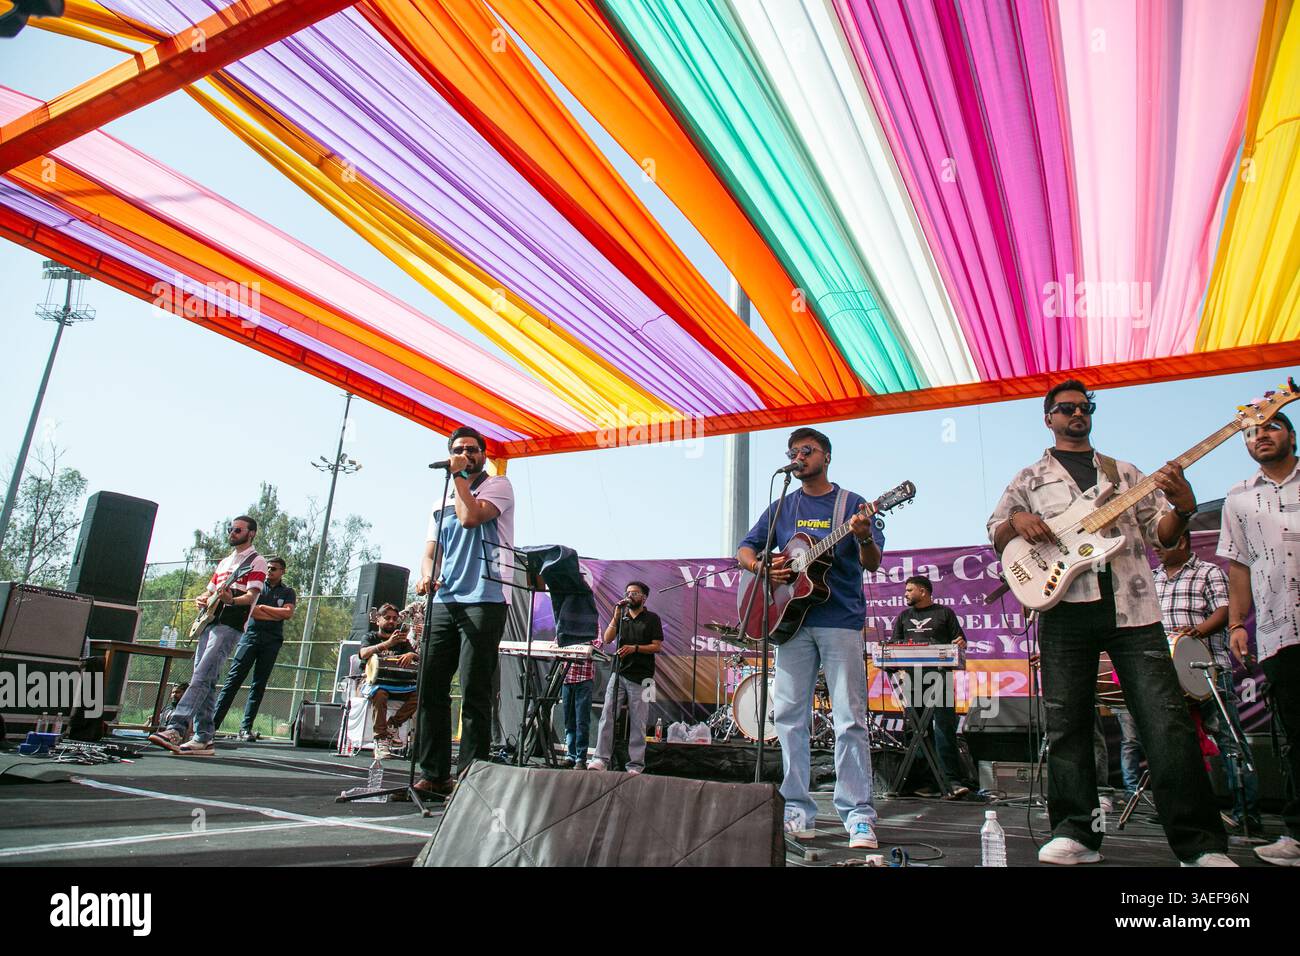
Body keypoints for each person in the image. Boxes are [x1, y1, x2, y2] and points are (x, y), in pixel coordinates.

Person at [987, 380, 1230, 866]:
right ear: (1048, 418)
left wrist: (1182, 508)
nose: (1077, 413)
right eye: (1066, 408)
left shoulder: (1125, 474)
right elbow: (996, 532)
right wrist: (1018, 522)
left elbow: (1162, 535)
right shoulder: (1029, 479)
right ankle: (1076, 832)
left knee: (1166, 724)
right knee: (1068, 725)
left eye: (1084, 407)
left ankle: (1199, 845)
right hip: (1063, 611)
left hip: (1132, 610)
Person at [736, 427, 885, 850]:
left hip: (840, 620)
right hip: (791, 623)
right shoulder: (782, 504)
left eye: (808, 450)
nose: (799, 456)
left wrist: (862, 535)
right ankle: (797, 810)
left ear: (827, 456)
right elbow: (744, 549)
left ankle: (858, 815)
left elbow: (872, 562)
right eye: (793, 452)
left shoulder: (851, 504)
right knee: (787, 717)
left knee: (849, 718)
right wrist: (763, 569)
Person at [413, 426, 515, 800]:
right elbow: (430, 551)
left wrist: (458, 478)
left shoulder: (498, 486)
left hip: (485, 598)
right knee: (430, 685)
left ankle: (471, 776)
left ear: (484, 455)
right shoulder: (439, 502)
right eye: (458, 450)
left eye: (472, 450)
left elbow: (471, 517)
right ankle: (434, 773)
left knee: (474, 689)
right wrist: (426, 575)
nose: (465, 454)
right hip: (446, 599)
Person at [1220, 409, 1300, 866]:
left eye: (1270, 426)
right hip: (1279, 630)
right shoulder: (1239, 498)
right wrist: (1236, 624)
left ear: (1290, 433)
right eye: (1252, 431)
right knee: (1295, 734)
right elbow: (1239, 566)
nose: (1261, 435)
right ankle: (1298, 835)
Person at [1154, 532, 1261, 832]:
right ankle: (1186, 811)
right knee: (1175, 743)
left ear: (1182, 542)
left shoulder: (1209, 572)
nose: (1155, 547)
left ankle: (1246, 813)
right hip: (1168, 676)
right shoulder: (1152, 578)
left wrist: (1198, 631)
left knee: (1229, 740)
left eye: (1161, 541)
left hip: (1208, 668)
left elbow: (1226, 610)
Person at [150, 516, 268, 755]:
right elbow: (210, 589)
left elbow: (251, 596)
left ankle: (175, 727)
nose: (232, 533)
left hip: (230, 624)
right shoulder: (225, 562)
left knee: (202, 675)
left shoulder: (257, 561)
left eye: (237, 530)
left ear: (251, 533)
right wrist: (203, 599)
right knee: (206, 679)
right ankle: (204, 737)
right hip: (210, 622)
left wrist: (232, 600)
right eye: (230, 529)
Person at [889, 575, 978, 799]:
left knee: (944, 728)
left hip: (940, 678)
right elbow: (894, 648)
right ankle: (926, 783)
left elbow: (960, 642)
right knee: (917, 731)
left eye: (910, 590)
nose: (905, 594)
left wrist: (959, 643)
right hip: (912, 679)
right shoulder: (903, 617)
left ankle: (951, 781)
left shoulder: (944, 613)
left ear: (923, 591)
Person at [211, 556, 296, 741]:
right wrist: (273, 613)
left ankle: (245, 728)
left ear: (282, 571)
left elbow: (288, 613)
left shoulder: (288, 592)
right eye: (268, 568)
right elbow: (252, 610)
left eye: (274, 569)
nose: (269, 571)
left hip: (272, 641)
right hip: (249, 637)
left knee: (259, 685)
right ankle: (212, 725)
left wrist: (264, 608)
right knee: (233, 680)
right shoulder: (256, 587)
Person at [587, 582, 662, 774]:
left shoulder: (652, 618)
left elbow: (656, 646)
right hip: (618, 673)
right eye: (628, 592)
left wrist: (635, 648)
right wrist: (615, 616)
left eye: (635, 593)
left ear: (644, 597)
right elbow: (606, 639)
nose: (630, 595)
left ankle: (635, 764)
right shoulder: (622, 616)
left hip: (644, 677)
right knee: (607, 716)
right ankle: (600, 759)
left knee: (639, 721)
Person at [358, 603, 418, 749]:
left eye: (395, 618)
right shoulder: (370, 637)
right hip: (372, 683)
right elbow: (363, 654)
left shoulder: (403, 641)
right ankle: (380, 738)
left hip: (398, 684)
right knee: (380, 694)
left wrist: (412, 654)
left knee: (421, 694)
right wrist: (387, 643)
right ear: (378, 620)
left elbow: (417, 659)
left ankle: (392, 725)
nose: (392, 621)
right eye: (387, 618)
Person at [561, 642, 598, 769]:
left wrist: (575, 644)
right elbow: (558, 642)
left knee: (582, 721)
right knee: (568, 720)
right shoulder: (566, 623)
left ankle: (580, 758)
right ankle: (570, 756)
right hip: (567, 678)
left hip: (584, 679)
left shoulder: (593, 625)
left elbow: (596, 647)